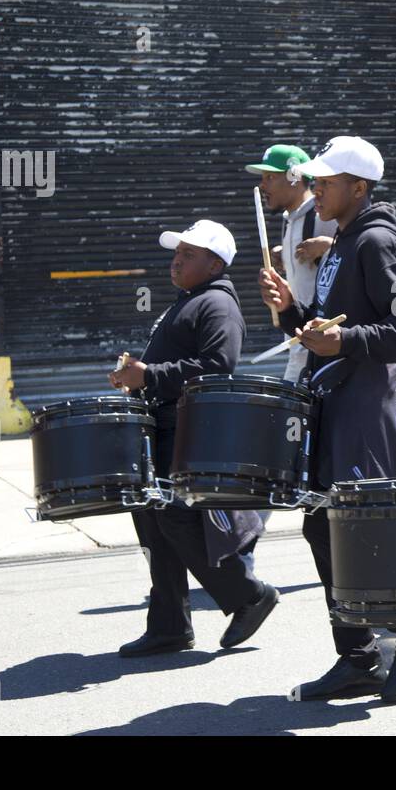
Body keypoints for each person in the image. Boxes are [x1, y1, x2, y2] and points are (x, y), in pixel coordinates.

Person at [258, 136, 396, 701]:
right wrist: (292, 308)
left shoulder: (378, 240)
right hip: (335, 398)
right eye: (313, 182)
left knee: (368, 527)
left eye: (326, 183)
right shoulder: (341, 240)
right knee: (324, 526)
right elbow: (326, 327)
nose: (315, 192)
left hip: (365, 404)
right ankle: (358, 657)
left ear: (358, 187)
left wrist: (345, 339)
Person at [110, 220, 279, 657]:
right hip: (162, 427)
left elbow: (219, 366)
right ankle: (169, 625)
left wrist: (150, 374)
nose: (176, 261)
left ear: (215, 263)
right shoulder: (188, 301)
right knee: (152, 523)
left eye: (188, 254)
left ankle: (249, 595)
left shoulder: (217, 305)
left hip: (187, 430)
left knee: (174, 518)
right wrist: (137, 379)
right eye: (176, 253)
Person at [247, 144, 338, 383]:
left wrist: (329, 247)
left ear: (295, 177)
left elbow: (352, 262)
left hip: (322, 343)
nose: (262, 186)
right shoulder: (291, 221)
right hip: (299, 339)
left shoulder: (321, 217)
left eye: (270, 177)